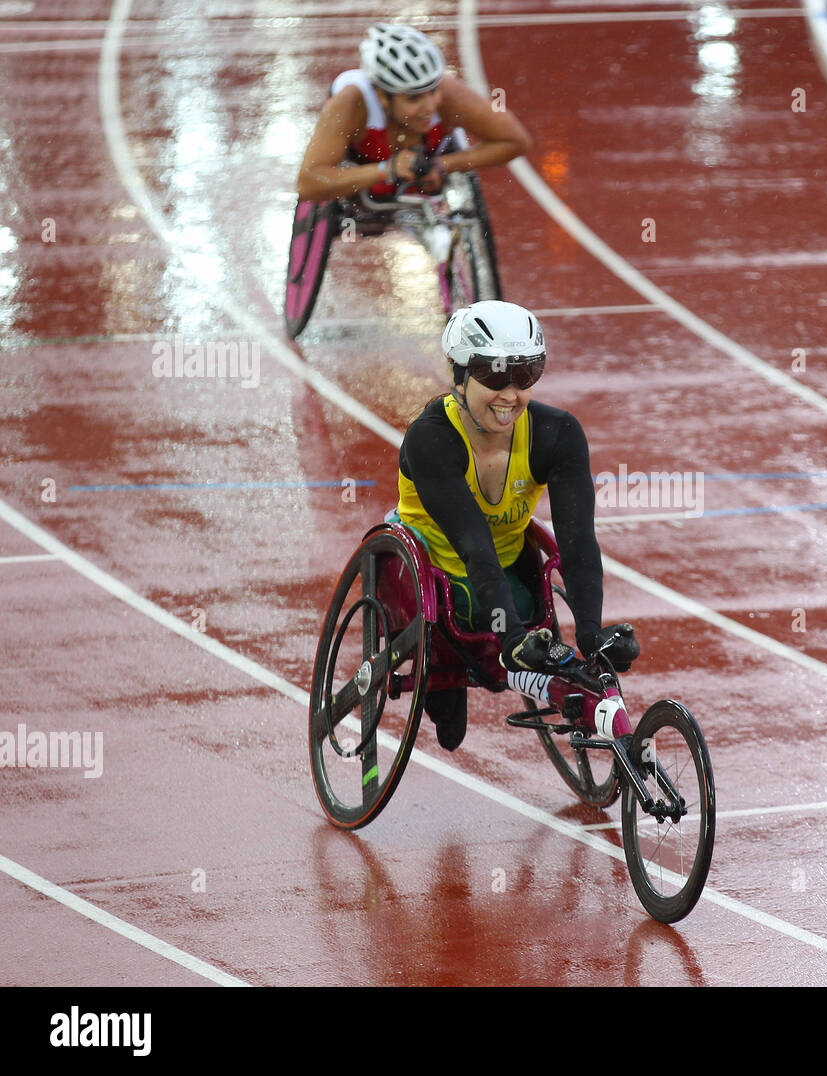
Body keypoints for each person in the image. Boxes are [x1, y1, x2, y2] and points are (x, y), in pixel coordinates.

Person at [392, 300, 638, 750]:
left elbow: (578, 542)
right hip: (430, 577)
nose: (510, 395)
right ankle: (446, 679)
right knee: (455, 719)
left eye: (524, 376)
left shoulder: (557, 435)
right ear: (460, 376)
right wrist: (511, 640)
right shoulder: (431, 439)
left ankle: (488, 660)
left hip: (505, 570)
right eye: (494, 376)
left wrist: (591, 634)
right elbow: (474, 546)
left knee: (525, 619)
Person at [295, 23, 531, 204]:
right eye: (413, 98)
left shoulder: (449, 96)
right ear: (382, 97)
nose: (430, 106)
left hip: (426, 170)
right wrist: (385, 170)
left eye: (433, 91)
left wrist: (444, 164)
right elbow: (308, 184)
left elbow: (515, 141)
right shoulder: (350, 104)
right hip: (364, 178)